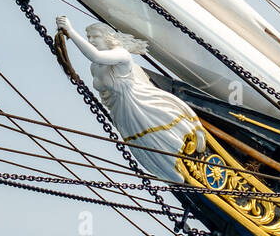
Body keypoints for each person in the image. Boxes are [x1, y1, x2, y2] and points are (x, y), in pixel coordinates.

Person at [56, 17, 204, 181]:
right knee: (146, 147)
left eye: (95, 36)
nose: (91, 40)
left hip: (139, 104)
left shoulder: (121, 55)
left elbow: (96, 56)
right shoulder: (95, 68)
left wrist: (71, 32)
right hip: (122, 114)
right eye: (89, 37)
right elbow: (106, 94)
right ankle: (174, 172)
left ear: (107, 37)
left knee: (163, 137)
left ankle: (184, 162)